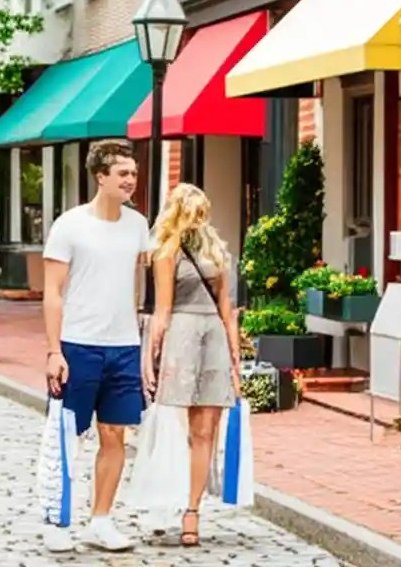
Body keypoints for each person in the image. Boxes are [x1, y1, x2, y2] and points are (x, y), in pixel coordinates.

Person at [41, 139, 152, 553]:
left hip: (123, 346)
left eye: (134, 173)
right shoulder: (70, 225)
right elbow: (52, 292)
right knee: (68, 436)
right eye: (123, 173)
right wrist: (54, 350)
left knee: (115, 436)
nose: (131, 180)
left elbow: (146, 282)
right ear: (100, 176)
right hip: (78, 345)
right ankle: (57, 519)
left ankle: (101, 519)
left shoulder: (138, 225)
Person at [142, 182, 242, 547]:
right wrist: (152, 354)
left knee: (206, 428)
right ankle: (163, 498)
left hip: (213, 334)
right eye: (193, 212)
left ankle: (192, 510)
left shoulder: (218, 251)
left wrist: (235, 359)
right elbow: (163, 308)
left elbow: (226, 308)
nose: (199, 220)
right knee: (172, 423)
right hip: (181, 333)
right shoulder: (165, 251)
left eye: (203, 213)